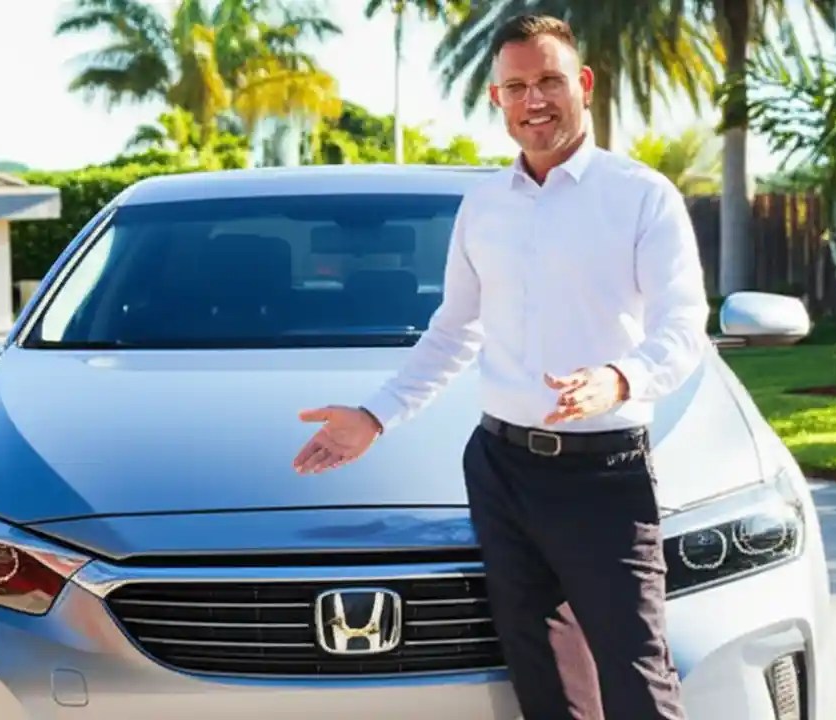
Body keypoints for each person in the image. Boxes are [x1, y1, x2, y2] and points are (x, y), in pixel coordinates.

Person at [292, 13, 708, 720]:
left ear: (582, 84)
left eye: (548, 80)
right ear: (497, 100)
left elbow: (683, 325)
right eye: (515, 86)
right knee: (545, 682)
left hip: (603, 476)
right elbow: (454, 331)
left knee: (639, 682)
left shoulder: (641, 196)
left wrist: (619, 378)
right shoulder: (483, 206)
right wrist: (374, 416)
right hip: (501, 470)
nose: (533, 99)